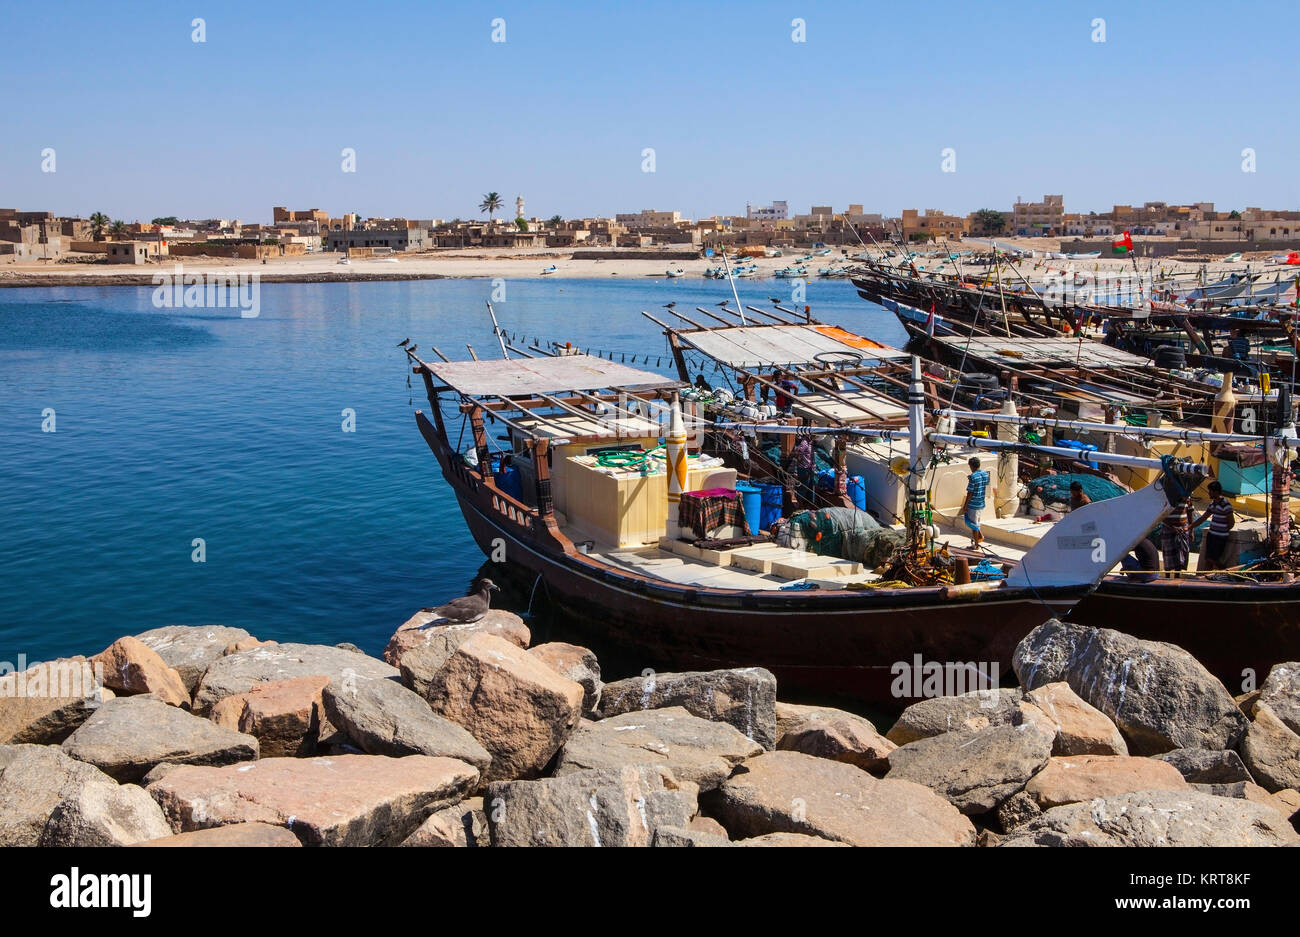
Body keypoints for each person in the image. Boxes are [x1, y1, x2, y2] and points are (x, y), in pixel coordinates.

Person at [1193, 481, 1235, 571]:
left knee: (1212, 559)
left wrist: (1222, 530)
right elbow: (1203, 517)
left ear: (1216, 492)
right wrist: (1190, 527)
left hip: (1220, 537)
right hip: (1211, 535)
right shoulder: (1212, 504)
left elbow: (1231, 522)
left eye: (1210, 491)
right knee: (1207, 559)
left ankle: (1224, 569)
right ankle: (1205, 577)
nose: (1209, 493)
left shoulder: (1226, 505)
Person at [1161, 495, 1195, 574]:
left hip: (1183, 529)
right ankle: (1167, 577)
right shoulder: (1167, 496)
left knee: (1181, 555)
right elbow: (1161, 516)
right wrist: (1173, 527)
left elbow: (1190, 513)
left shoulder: (1188, 497)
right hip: (1168, 529)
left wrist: (1191, 530)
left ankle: (1177, 576)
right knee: (1168, 556)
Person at [962, 457, 990, 548]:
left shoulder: (973, 477)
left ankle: (976, 545)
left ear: (971, 466)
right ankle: (980, 536)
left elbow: (970, 492)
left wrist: (965, 505)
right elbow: (983, 483)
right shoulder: (985, 474)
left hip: (973, 504)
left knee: (973, 525)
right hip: (981, 502)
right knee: (976, 522)